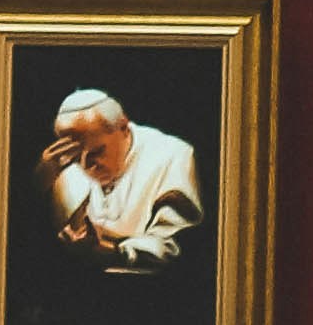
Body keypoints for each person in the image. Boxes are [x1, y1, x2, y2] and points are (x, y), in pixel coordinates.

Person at [39, 89, 204, 274]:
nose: (86, 166)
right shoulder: (61, 168)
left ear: (123, 128)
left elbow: (173, 248)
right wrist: (41, 183)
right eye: (76, 157)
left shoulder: (172, 156)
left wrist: (107, 252)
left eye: (97, 152)